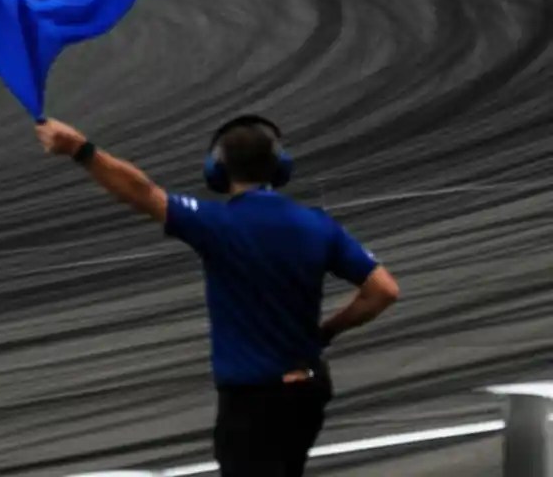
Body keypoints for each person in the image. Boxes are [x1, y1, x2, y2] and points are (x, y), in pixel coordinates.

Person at [35, 114, 400, 477]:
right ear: (280, 166)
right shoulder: (319, 225)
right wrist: (328, 331)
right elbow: (383, 290)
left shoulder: (216, 224)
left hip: (252, 400)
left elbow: (142, 193)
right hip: (306, 385)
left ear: (217, 170)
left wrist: (80, 150)